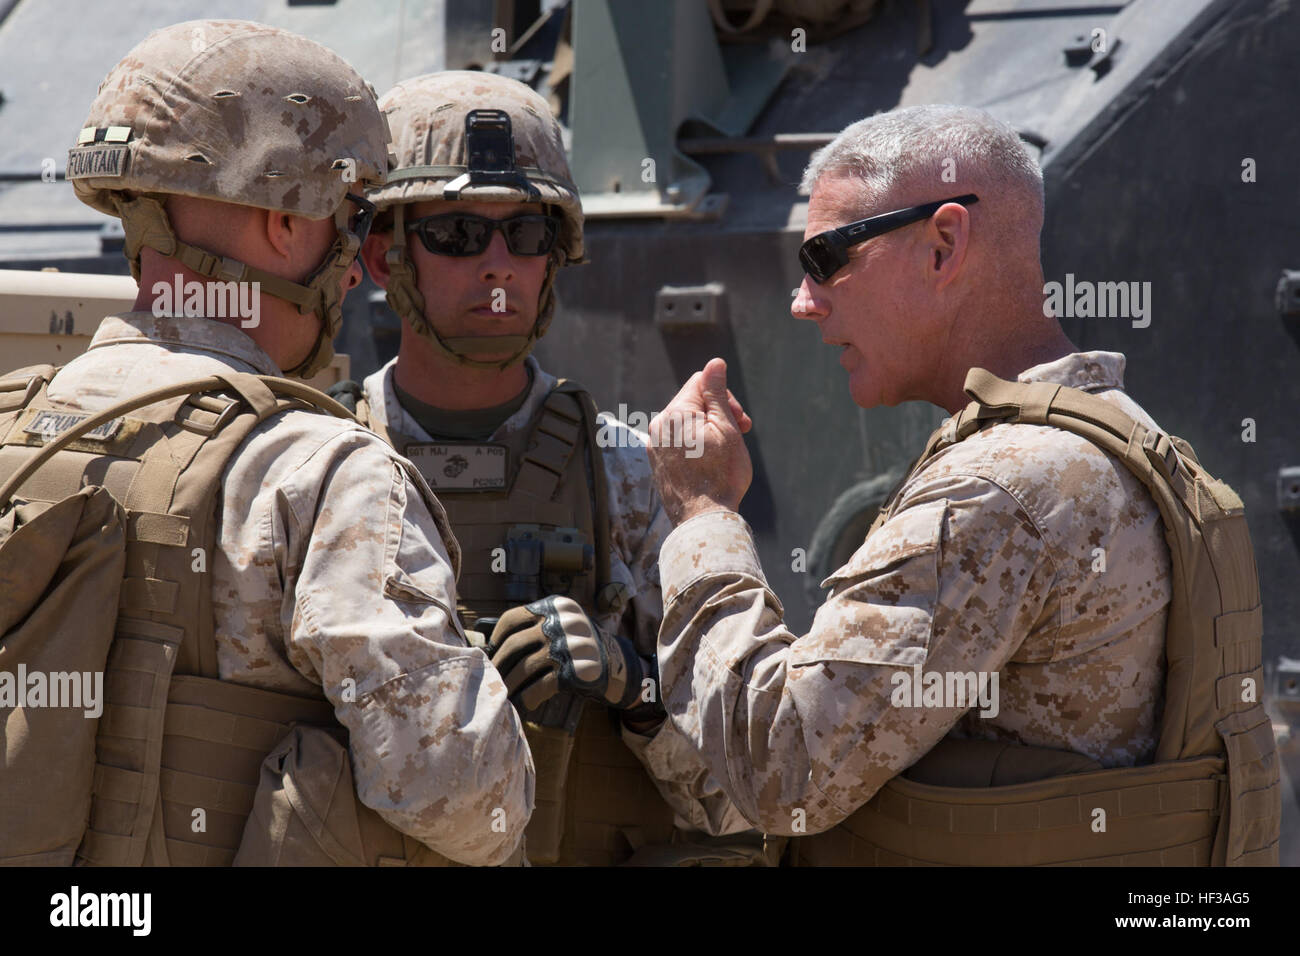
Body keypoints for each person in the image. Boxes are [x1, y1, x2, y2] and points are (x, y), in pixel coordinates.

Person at [645, 104, 1278, 865]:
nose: (804, 302)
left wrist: (702, 515)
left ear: (943, 244)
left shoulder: (1002, 488)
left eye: (826, 261)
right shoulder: (1116, 431)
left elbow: (784, 768)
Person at [3, 20, 532, 867]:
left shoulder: (16, 432)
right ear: (288, 221)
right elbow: (468, 801)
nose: (357, 265)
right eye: (351, 216)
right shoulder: (322, 472)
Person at [342, 71, 762, 865]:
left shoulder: (627, 475)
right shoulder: (319, 468)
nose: (498, 265)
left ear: (554, 258)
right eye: (459, 234)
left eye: (527, 235)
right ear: (383, 254)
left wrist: (630, 683)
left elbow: (740, 794)